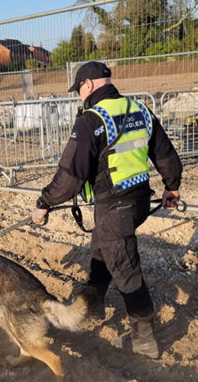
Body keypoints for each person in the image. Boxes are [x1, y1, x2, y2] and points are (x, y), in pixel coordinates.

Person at [30, 60, 182, 358]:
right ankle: (94, 305)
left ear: (87, 85)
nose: (78, 96)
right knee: (101, 249)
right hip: (137, 201)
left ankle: (144, 340)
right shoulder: (139, 109)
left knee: (126, 269)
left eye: (78, 90)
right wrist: (172, 187)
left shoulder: (91, 120)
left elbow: (69, 177)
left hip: (115, 207)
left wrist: (44, 203)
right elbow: (165, 153)